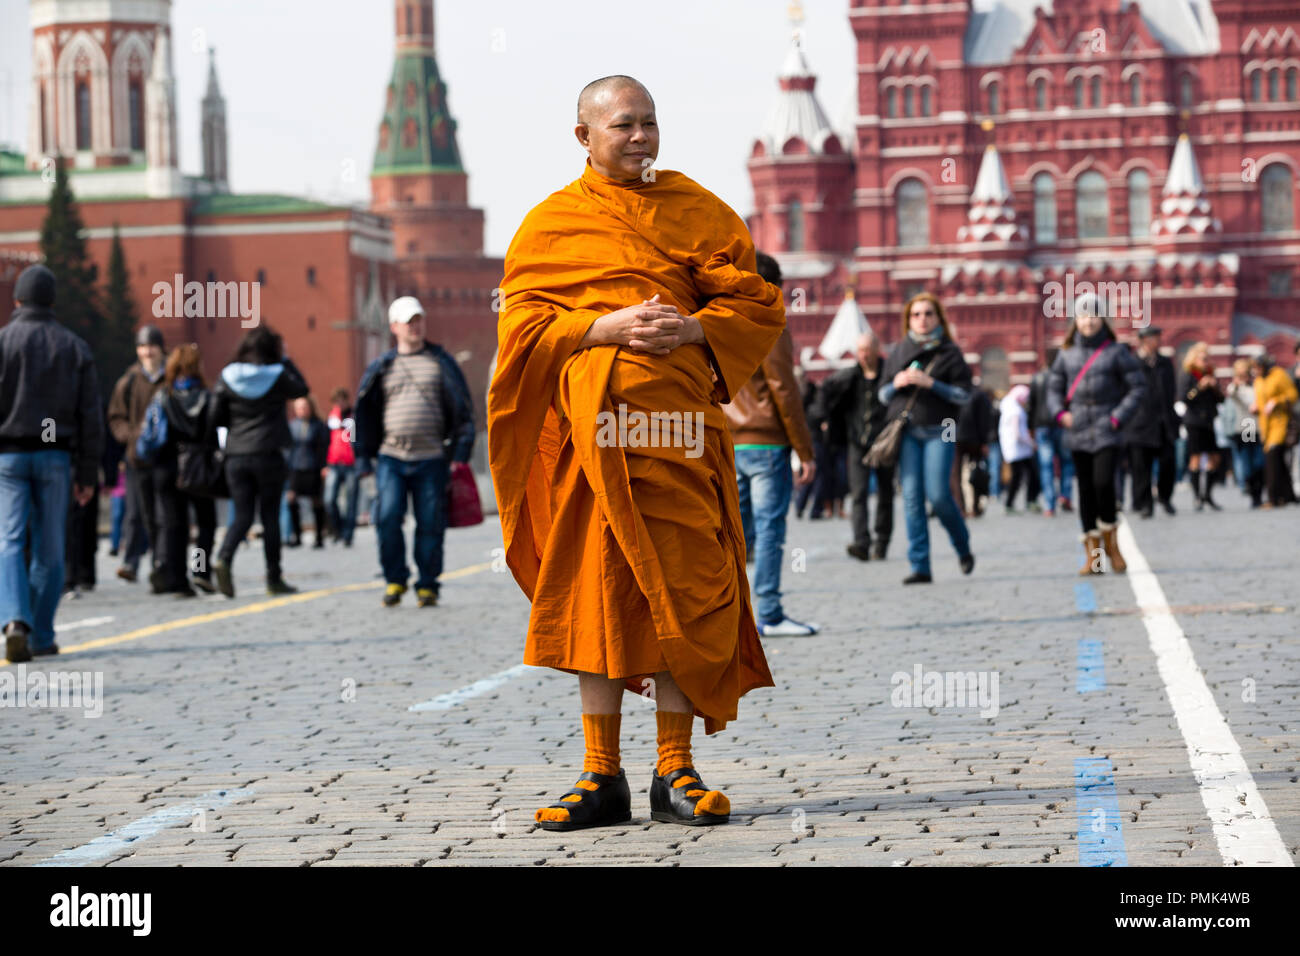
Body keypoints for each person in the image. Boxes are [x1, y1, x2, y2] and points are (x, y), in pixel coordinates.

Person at [488, 75, 783, 831]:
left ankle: (675, 770)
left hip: (678, 436)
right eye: (624, 125)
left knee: (685, 587)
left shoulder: (697, 210)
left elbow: (753, 301)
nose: (642, 137)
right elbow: (520, 330)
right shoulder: (550, 225)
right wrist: (600, 330)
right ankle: (600, 775)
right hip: (595, 442)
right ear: (583, 136)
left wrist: (690, 330)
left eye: (650, 123)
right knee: (599, 595)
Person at [0, 264, 103, 661]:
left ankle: (14, 621)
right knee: (50, 547)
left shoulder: (4, 342)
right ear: (53, 301)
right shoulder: (74, 346)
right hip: (55, 454)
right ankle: (41, 634)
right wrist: (89, 470)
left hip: (9, 454)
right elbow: (89, 415)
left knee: (9, 541)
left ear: (17, 299)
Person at [353, 296, 475, 608]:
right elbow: (364, 414)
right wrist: (363, 458)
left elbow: (463, 410)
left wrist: (460, 453)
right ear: (394, 327)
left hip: (433, 457)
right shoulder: (382, 367)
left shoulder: (441, 362)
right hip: (391, 457)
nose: (416, 326)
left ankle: (427, 584)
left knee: (430, 522)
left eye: (419, 319)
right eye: (409, 322)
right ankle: (395, 579)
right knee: (388, 517)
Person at [722, 252, 817, 636]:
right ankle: (771, 613)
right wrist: (805, 450)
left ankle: (729, 617)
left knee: (735, 534)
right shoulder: (770, 325)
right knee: (769, 530)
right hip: (766, 444)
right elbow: (783, 390)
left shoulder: (719, 323)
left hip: (730, 442)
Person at [878, 292, 975, 584]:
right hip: (907, 428)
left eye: (928, 314)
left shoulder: (949, 352)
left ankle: (962, 545)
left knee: (939, 495)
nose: (922, 319)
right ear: (909, 319)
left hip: (942, 426)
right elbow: (882, 395)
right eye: (916, 314)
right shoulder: (898, 350)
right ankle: (920, 565)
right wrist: (896, 382)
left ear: (938, 318)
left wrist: (931, 383)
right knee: (910, 498)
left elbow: (963, 394)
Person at [1046, 293, 1146, 575]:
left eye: (1093, 315)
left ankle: (1112, 546)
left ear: (1103, 319)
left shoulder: (1116, 352)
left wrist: (1117, 417)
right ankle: (1095, 557)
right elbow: (1053, 389)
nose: (1088, 321)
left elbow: (1137, 388)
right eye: (1083, 315)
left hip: (1106, 428)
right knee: (1086, 491)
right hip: (1077, 428)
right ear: (1075, 320)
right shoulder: (1065, 354)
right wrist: (1060, 414)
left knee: (1104, 484)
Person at [210, 326, 309, 597]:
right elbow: (302, 388)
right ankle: (274, 578)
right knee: (270, 518)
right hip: (269, 454)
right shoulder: (277, 376)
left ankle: (224, 558)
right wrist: (286, 360)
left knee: (241, 516)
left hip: (237, 456)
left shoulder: (227, 377)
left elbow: (215, 416)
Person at [135, 342, 218, 596]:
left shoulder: (163, 396)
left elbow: (150, 435)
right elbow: (214, 432)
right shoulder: (207, 396)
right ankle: (201, 571)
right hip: (197, 465)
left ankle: (177, 581)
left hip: (166, 467)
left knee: (174, 525)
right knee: (206, 522)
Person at [821, 331, 895, 558]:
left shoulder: (889, 375)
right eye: (859, 351)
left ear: (876, 350)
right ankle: (861, 543)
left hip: (883, 443)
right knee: (858, 493)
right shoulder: (850, 377)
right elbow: (828, 395)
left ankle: (881, 542)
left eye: (866, 350)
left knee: (885, 493)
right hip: (857, 442)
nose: (862, 355)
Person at [107, 325, 167, 583]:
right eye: (143, 346)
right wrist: (131, 437)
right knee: (134, 513)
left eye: (152, 346)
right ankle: (130, 562)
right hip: (136, 457)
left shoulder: (171, 378)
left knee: (162, 514)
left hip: (165, 457)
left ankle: (161, 562)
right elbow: (116, 417)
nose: (147, 351)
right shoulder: (129, 380)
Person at [1124, 328, 1177, 518]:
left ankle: (1165, 497)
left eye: (1158, 337)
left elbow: (1171, 389)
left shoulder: (1165, 362)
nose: (1157, 341)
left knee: (1168, 463)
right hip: (1140, 423)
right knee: (1141, 467)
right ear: (1143, 340)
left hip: (1164, 422)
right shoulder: (1131, 363)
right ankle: (1145, 503)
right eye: (1154, 338)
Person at [1178, 341, 1223, 511]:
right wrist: (1199, 387)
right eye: (1202, 358)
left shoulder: (1211, 375)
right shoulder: (1188, 375)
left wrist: (1214, 387)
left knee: (1215, 458)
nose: (1206, 362)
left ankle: (1208, 495)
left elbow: (1221, 399)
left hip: (1209, 421)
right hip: (1194, 421)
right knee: (1195, 457)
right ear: (1194, 360)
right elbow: (1184, 397)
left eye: (1207, 358)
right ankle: (1197, 497)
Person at [1027, 361, 1073, 516]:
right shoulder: (1063, 377)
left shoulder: (1036, 378)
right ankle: (1065, 496)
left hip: (1041, 426)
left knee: (1046, 465)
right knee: (1066, 462)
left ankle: (1049, 504)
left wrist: (1030, 427)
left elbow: (1031, 406)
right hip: (1060, 423)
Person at [1253, 352, 1298, 508]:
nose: (1256, 370)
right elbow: (1260, 401)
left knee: (1272, 459)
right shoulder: (1258, 381)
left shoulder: (1278, 375)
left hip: (1280, 422)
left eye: (1258, 367)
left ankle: (1273, 497)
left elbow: (1292, 395)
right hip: (1266, 426)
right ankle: (1288, 496)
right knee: (1279, 461)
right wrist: (1256, 407)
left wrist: (1276, 401)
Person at [286, 397, 330, 549]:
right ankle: (296, 535)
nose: (301, 410)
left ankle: (319, 536)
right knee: (291, 500)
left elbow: (324, 447)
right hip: (296, 467)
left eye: (304, 407)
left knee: (316, 501)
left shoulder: (318, 425)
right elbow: (288, 449)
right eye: (298, 407)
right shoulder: (292, 426)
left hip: (313, 467)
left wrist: (325, 466)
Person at [1221, 358, 1264, 508]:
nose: (1244, 377)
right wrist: (1237, 383)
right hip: (1247, 425)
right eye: (1241, 374)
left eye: (1246, 374)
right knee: (1249, 462)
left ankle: (1258, 491)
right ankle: (1253, 492)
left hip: (1261, 426)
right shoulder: (1237, 388)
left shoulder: (1257, 384)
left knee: (1259, 461)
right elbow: (1232, 392)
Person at [324, 387, 359, 546]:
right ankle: (337, 529)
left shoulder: (353, 416)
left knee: (351, 502)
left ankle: (348, 535)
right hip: (334, 462)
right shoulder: (331, 418)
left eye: (341, 401)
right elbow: (325, 441)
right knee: (329, 499)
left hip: (351, 463)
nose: (339, 404)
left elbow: (355, 438)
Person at [955, 385, 994, 517]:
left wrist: (946, 438)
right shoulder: (979, 394)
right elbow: (984, 420)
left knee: (955, 475)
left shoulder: (950, 390)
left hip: (954, 438)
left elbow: (945, 417)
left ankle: (960, 507)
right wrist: (983, 442)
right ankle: (974, 507)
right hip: (974, 440)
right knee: (975, 472)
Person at [998, 384, 1036, 513]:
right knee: (1022, 475)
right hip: (1018, 449)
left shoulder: (1009, 407)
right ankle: (1023, 501)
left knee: (1020, 476)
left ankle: (1014, 502)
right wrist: (1031, 443)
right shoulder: (1014, 409)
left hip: (1015, 448)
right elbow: (1017, 433)